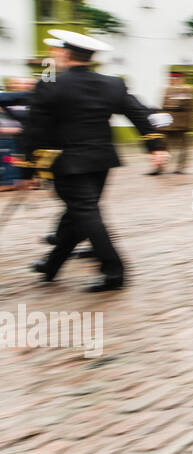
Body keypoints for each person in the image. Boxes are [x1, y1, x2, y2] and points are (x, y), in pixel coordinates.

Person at [23, 30, 169, 292]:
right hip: (101, 161)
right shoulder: (112, 83)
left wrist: (27, 167)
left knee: (86, 214)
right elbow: (138, 112)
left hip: (67, 162)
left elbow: (35, 128)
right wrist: (154, 145)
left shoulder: (50, 83)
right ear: (90, 57)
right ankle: (52, 265)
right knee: (79, 214)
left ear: (66, 54)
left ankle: (114, 272)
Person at [157, 70, 193, 175]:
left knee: (183, 146)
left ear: (182, 79)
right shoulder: (166, 89)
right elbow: (163, 106)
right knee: (161, 145)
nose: (174, 80)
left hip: (180, 123)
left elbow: (185, 106)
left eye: (176, 78)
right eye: (172, 79)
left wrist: (187, 123)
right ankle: (160, 167)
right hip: (166, 123)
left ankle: (181, 167)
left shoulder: (186, 89)